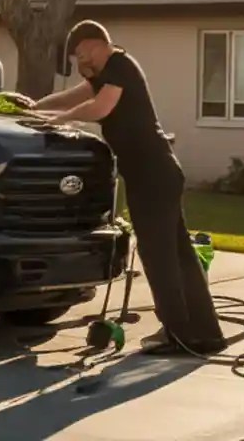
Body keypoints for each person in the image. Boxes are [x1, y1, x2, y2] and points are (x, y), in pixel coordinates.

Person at [31, 20, 227, 356]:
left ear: (96, 44)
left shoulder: (120, 65)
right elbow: (74, 97)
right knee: (178, 254)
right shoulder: (105, 75)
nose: (80, 63)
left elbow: (99, 108)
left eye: (80, 54)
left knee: (159, 256)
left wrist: (60, 121)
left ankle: (177, 335)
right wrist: (35, 107)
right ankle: (204, 333)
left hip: (153, 176)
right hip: (153, 175)